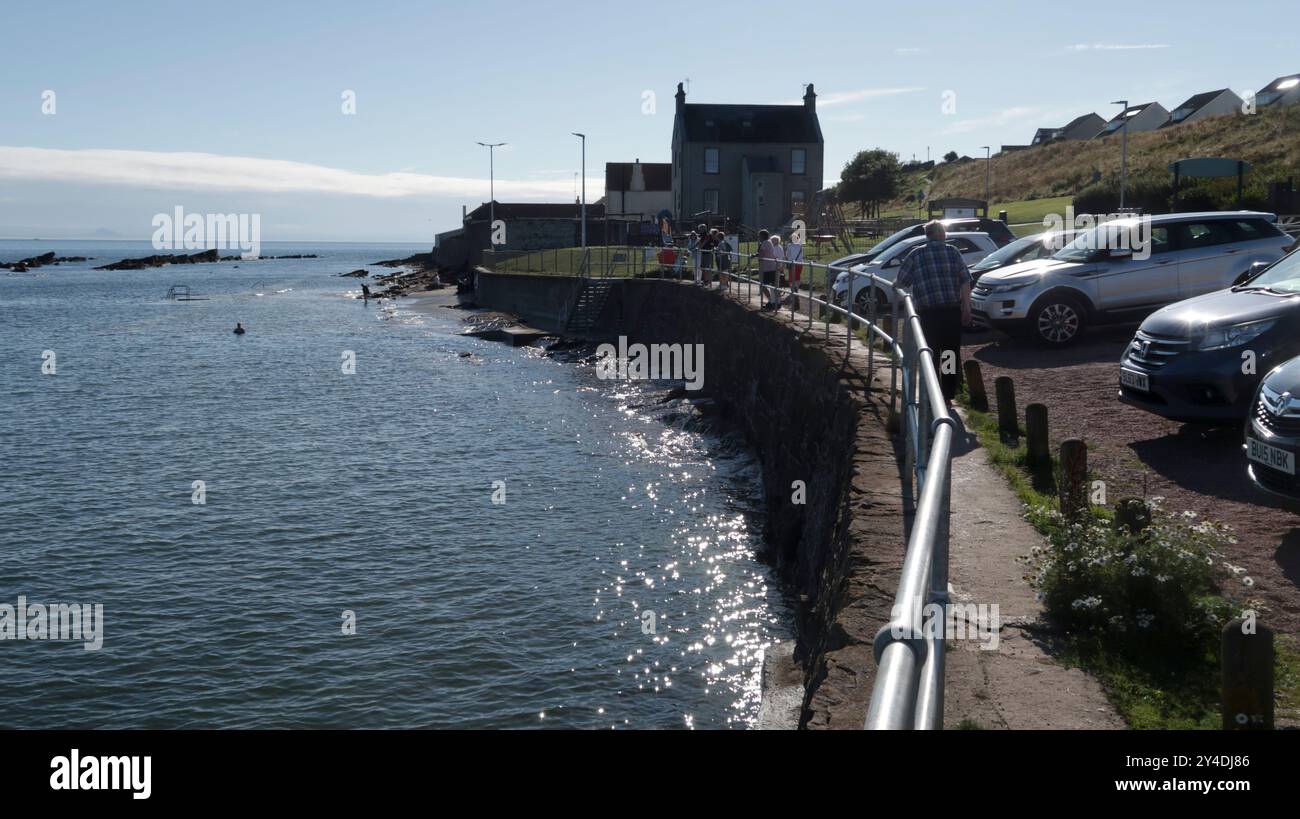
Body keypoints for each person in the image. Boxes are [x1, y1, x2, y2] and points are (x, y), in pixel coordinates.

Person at [893, 221, 973, 401]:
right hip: (952, 310)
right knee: (949, 352)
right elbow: (965, 281)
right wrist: (966, 307)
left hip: (929, 313)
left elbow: (902, 281)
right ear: (941, 234)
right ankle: (948, 394)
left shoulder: (916, 254)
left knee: (930, 351)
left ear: (927, 235)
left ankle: (931, 391)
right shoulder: (953, 252)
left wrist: (894, 284)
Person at [757, 230, 781, 310]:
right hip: (771, 267)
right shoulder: (769, 242)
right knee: (772, 286)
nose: (758, 238)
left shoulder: (765, 243)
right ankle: (775, 302)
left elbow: (761, 254)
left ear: (762, 236)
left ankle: (772, 301)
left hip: (768, 267)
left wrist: (758, 255)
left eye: (759, 236)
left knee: (763, 286)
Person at [784, 232, 804, 304]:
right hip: (799, 263)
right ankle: (796, 289)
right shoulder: (800, 246)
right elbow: (802, 255)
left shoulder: (789, 245)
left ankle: (793, 290)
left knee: (791, 277)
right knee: (797, 276)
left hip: (792, 263)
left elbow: (787, 255)